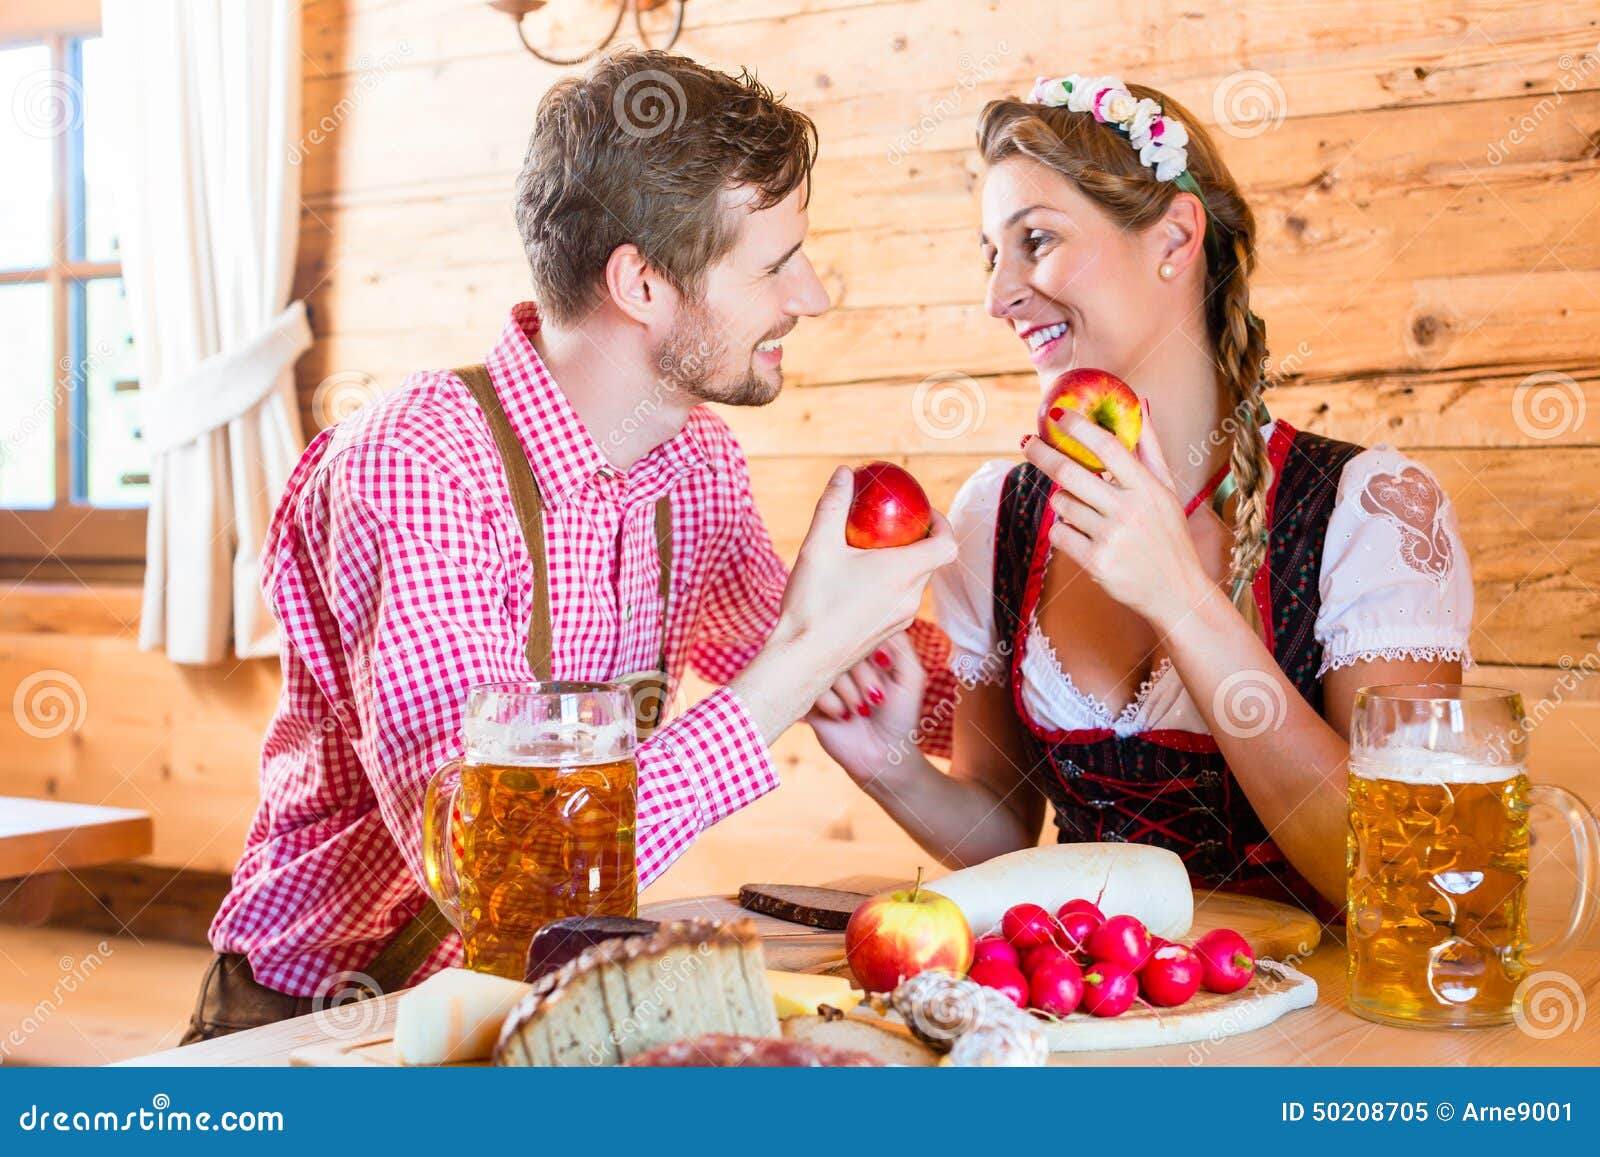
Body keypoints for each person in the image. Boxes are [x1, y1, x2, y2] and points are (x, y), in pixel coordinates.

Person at [182, 49, 956, 1043]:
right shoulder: (417, 466)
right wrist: (799, 659)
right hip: (325, 1023)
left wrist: (1097, 668)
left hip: (542, 1012)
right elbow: (508, 882)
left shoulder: (696, 465)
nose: (811, 295)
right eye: (772, 264)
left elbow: (852, 671)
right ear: (640, 281)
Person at [809, 74, 1473, 918]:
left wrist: (1180, 598)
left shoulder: (1367, 512)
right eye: (991, 254)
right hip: (1095, 1017)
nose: (997, 294)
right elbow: (1010, 833)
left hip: (1321, 1034)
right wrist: (891, 766)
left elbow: (1397, 877)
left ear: (1174, 237)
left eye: (1036, 240)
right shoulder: (1000, 517)